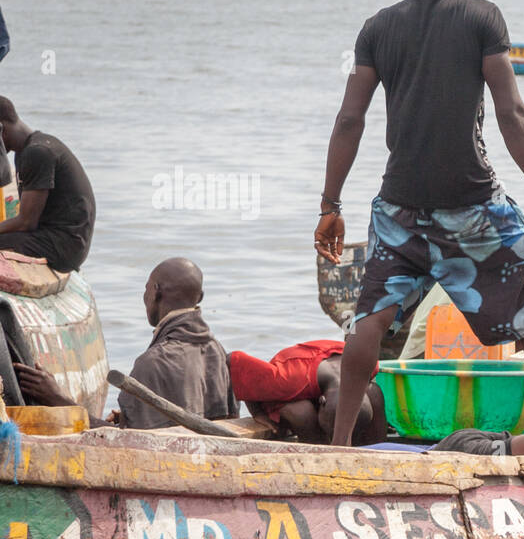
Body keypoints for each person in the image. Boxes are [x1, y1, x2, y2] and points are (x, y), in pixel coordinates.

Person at [313, 0, 524, 446]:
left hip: (399, 209)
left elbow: (350, 119)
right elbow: (511, 112)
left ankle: (340, 447)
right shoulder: (481, 16)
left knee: (368, 322)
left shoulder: (378, 27)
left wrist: (330, 204)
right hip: (473, 209)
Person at [15, 258, 238, 429]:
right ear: (200, 297)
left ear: (156, 292)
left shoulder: (153, 362)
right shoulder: (218, 352)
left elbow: (124, 443)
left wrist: (57, 399)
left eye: (146, 288)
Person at [398, 183, 524, 360]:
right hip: (438, 350)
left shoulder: (500, 233)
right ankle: (509, 363)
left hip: (421, 347)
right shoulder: (522, 251)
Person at [0, 96, 96, 273]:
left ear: (1, 129)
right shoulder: (28, 150)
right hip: (59, 239)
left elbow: (26, 223)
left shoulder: (37, 153)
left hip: (64, 247)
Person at [228, 340, 386, 445]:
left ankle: (373, 452)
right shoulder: (285, 379)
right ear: (321, 402)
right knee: (301, 413)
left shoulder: (366, 367)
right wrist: (257, 413)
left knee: (375, 394)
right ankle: (318, 452)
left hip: (329, 369)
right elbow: (233, 361)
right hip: (297, 383)